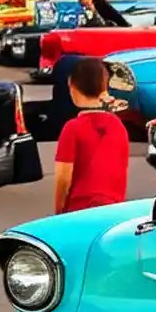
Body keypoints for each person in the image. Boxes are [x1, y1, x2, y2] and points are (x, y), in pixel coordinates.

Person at [53, 58, 129, 214]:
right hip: (113, 208)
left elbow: (63, 177)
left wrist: (59, 208)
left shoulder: (72, 128)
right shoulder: (118, 126)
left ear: (71, 86)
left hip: (79, 209)